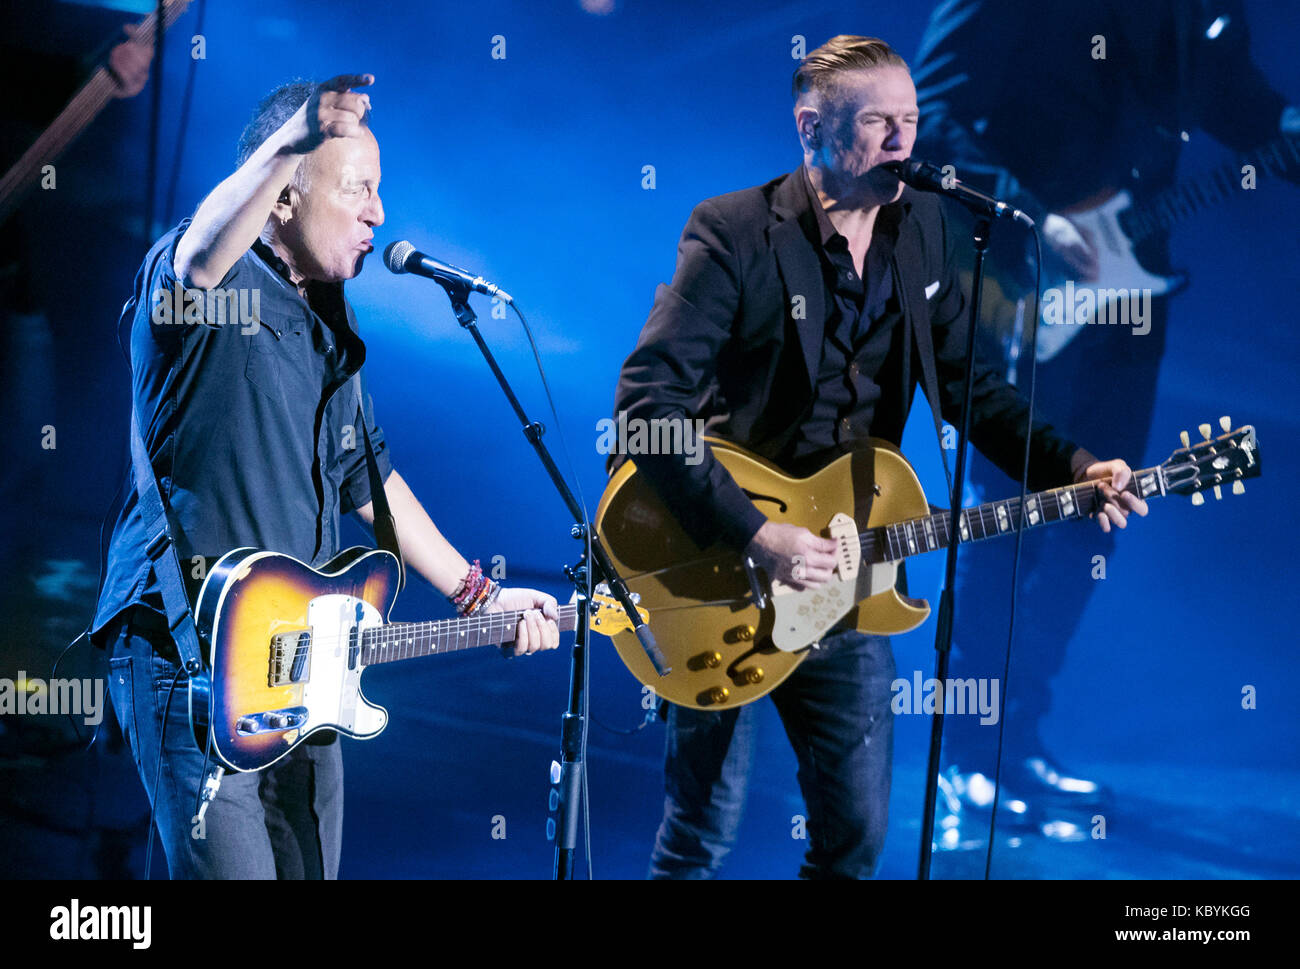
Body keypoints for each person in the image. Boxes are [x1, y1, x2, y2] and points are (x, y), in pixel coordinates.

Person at [610, 35, 1147, 879]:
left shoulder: (925, 230)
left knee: (856, 837)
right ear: (811, 128)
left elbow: (976, 387)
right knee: (699, 836)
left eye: (912, 120)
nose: (904, 143)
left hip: (853, 572)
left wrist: (1069, 462)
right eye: (878, 124)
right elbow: (647, 414)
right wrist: (754, 532)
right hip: (718, 566)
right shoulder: (734, 230)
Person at [89, 74, 561, 879]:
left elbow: (367, 477)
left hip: (305, 665)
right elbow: (202, 253)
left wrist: (479, 596)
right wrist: (292, 139)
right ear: (281, 194)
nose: (379, 211)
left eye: (380, 190)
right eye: (358, 189)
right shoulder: (208, 282)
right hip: (192, 660)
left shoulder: (328, 323)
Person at [909, 0, 1299, 832]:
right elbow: (925, 112)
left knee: (1103, 507)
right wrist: (1026, 213)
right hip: (1020, 278)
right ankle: (966, 755)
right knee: (1009, 514)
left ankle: (1018, 739)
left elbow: (1238, 104)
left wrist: (1285, 124)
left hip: (1131, 285)